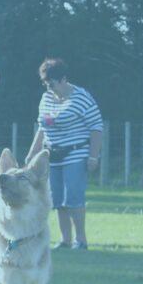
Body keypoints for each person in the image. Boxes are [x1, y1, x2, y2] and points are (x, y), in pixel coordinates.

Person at [25, 58, 103, 250]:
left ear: (63, 79)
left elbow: (96, 127)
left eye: (51, 82)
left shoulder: (82, 97)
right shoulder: (46, 98)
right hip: (53, 155)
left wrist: (93, 156)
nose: (48, 87)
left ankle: (81, 240)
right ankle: (65, 239)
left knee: (74, 197)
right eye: (45, 83)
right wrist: (31, 155)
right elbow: (42, 128)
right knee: (57, 199)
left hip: (76, 153)